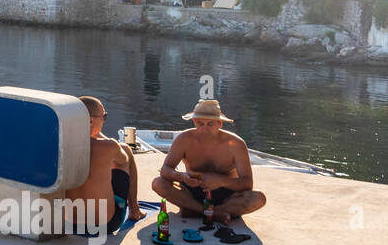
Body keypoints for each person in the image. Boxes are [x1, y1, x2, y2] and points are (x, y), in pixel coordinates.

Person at [150, 100, 266, 228]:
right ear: (194, 122)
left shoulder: (236, 144)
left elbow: (247, 183)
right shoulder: (183, 139)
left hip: (226, 195)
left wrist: (221, 181)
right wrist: (182, 177)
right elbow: (165, 170)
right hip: (192, 192)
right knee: (158, 183)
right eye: (200, 124)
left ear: (220, 124)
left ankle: (195, 210)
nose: (205, 129)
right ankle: (213, 213)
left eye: (210, 124)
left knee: (259, 198)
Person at [62, 96, 144, 236]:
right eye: (104, 116)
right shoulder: (109, 146)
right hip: (105, 224)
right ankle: (134, 210)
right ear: (91, 120)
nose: (105, 120)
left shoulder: (60, 144)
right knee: (127, 151)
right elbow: (122, 161)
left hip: (68, 222)